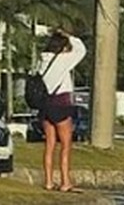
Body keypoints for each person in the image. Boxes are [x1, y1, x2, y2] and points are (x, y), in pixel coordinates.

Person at [37, 28, 87, 192]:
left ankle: (49, 181)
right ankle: (65, 182)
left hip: (45, 105)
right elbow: (81, 50)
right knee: (66, 145)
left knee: (49, 145)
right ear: (62, 47)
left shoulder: (42, 61)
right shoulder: (62, 60)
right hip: (61, 103)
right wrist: (69, 35)